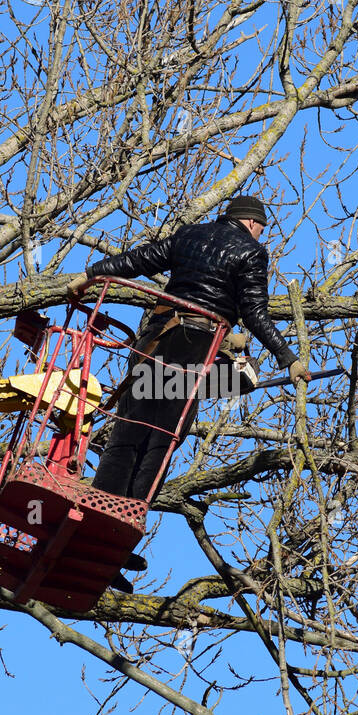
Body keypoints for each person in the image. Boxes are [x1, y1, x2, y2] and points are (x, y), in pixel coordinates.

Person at [66, 194, 310, 501]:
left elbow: (138, 259)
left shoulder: (189, 234)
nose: (262, 233)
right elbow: (254, 313)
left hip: (155, 339)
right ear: (251, 222)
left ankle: (100, 502)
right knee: (166, 432)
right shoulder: (252, 252)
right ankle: (133, 509)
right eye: (262, 227)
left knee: (130, 425)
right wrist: (288, 358)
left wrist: (91, 274)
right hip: (195, 348)